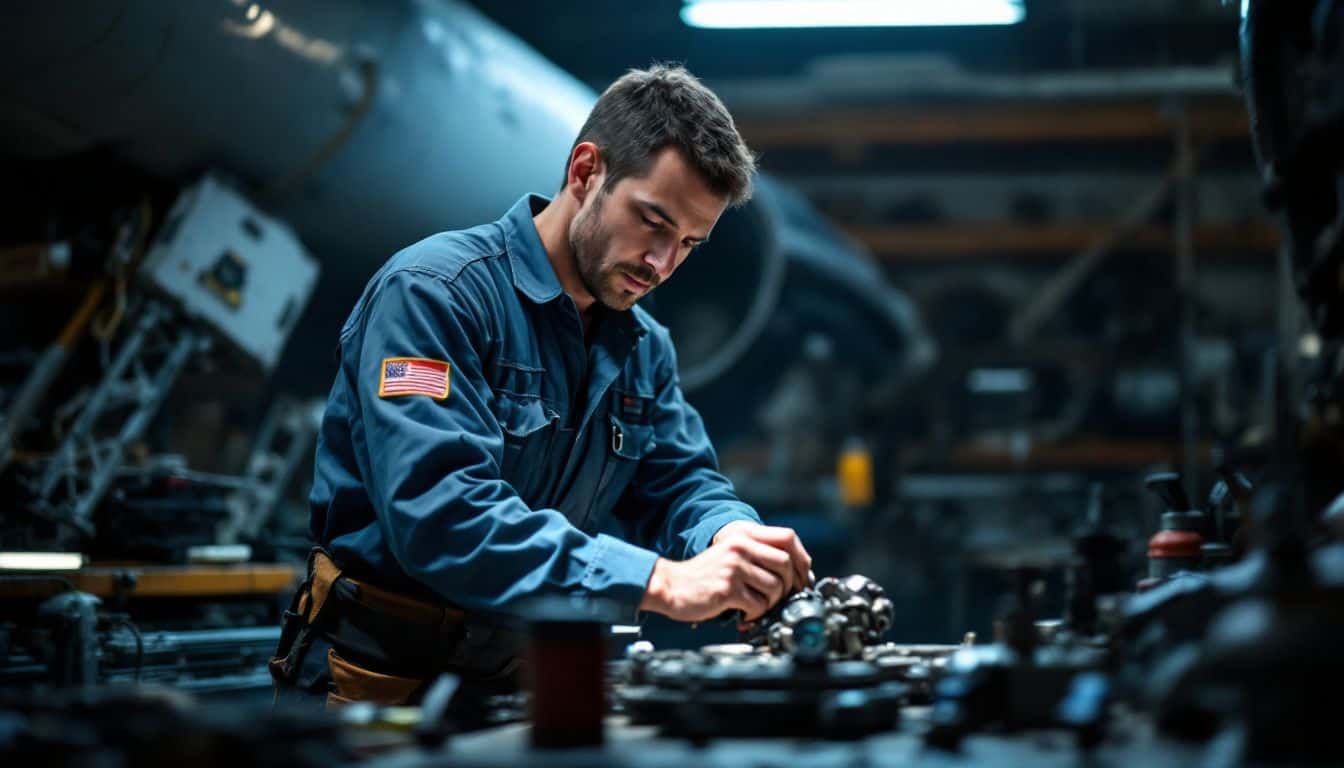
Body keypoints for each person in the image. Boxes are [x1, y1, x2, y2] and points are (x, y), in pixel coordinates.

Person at [270, 65, 812, 710]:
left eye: (690, 242)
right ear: (585, 172)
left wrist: (728, 537)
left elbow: (680, 484)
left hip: (520, 683)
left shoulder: (641, 345)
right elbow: (445, 518)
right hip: (377, 686)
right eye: (653, 222)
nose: (663, 264)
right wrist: (657, 580)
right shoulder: (434, 295)